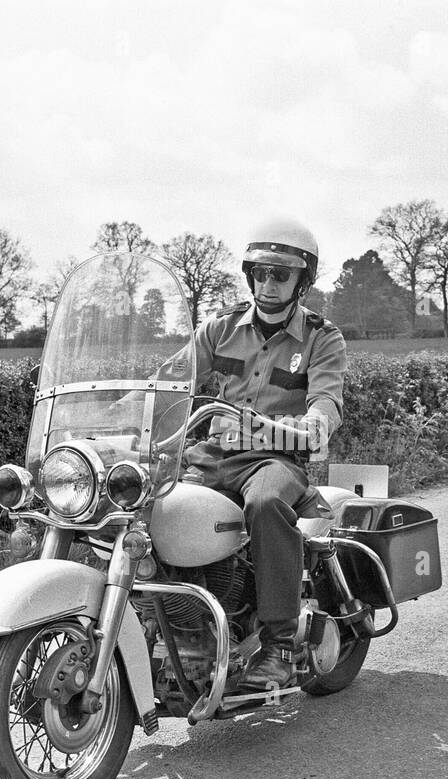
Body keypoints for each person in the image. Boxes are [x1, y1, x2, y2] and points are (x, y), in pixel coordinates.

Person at [179, 218, 347, 694]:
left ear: (302, 280)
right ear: (249, 274)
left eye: (281, 274)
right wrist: (124, 416)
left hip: (275, 459)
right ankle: (176, 620)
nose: (268, 283)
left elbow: (327, 401)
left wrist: (315, 423)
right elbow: (171, 381)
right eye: (260, 273)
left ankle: (277, 646)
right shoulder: (221, 329)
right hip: (212, 456)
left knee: (266, 504)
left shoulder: (321, 337)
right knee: (150, 505)